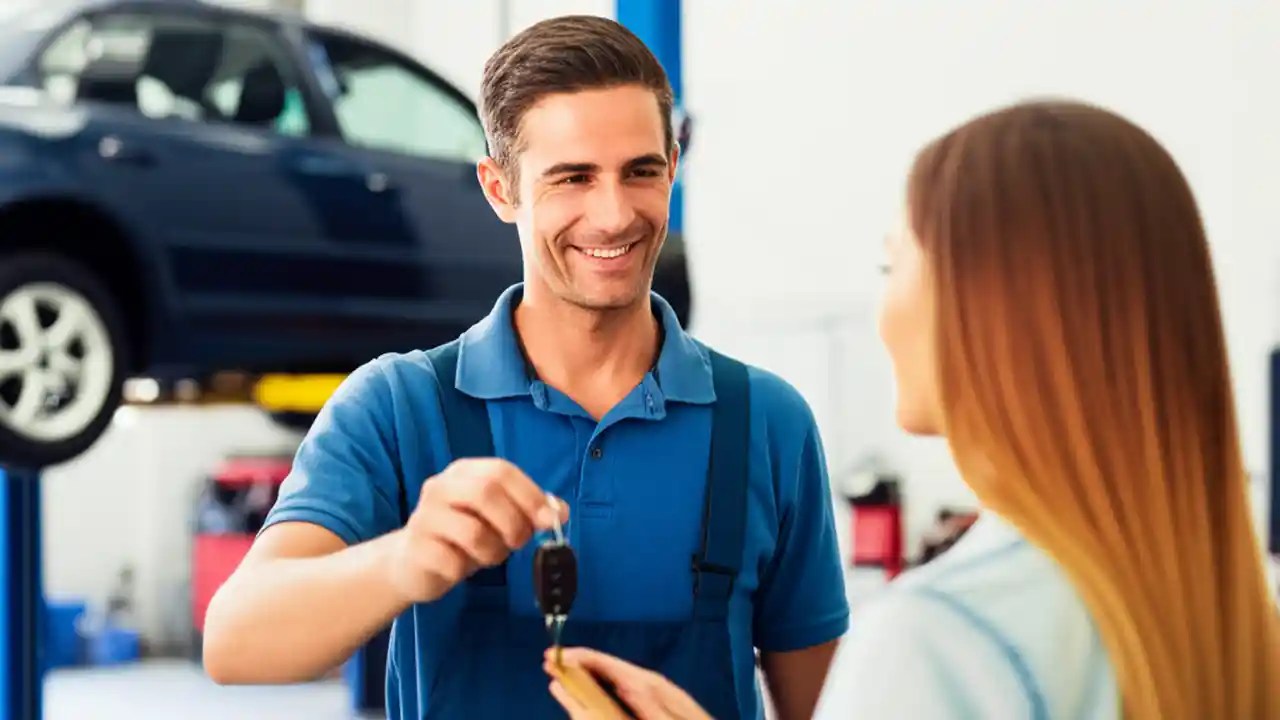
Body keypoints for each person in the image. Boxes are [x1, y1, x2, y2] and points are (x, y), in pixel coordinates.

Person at [201, 15, 849, 720]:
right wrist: (403, 560)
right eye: (573, 177)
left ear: (673, 165)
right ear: (499, 188)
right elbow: (236, 643)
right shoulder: (397, 409)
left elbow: (823, 708)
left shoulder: (765, 424)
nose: (613, 215)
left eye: (642, 172)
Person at [544, 100, 1280, 719]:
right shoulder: (1233, 625)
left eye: (893, 266)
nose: (884, 310)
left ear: (985, 313)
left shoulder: (936, 642)